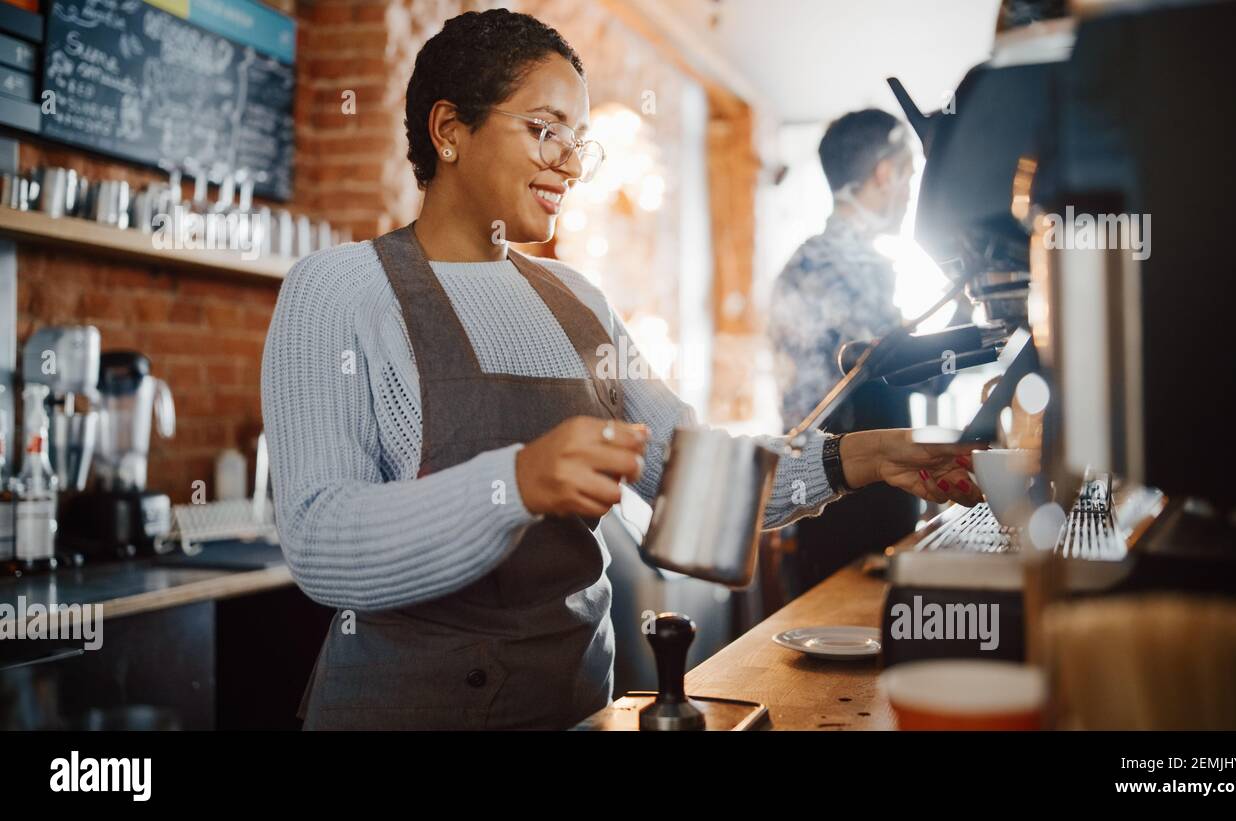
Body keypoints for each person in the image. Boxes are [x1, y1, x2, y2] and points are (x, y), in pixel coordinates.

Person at [262, 9, 982, 731]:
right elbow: (322, 541)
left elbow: (693, 474)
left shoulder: (578, 300)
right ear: (449, 130)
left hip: (574, 706)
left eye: (578, 141)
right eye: (545, 130)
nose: (570, 165)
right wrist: (515, 481)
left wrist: (862, 454)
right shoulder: (339, 289)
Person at [769, 108, 943, 594]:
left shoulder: (806, 259)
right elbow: (917, 371)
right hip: (855, 494)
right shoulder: (853, 264)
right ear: (885, 173)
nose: (910, 193)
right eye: (908, 174)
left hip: (817, 491)